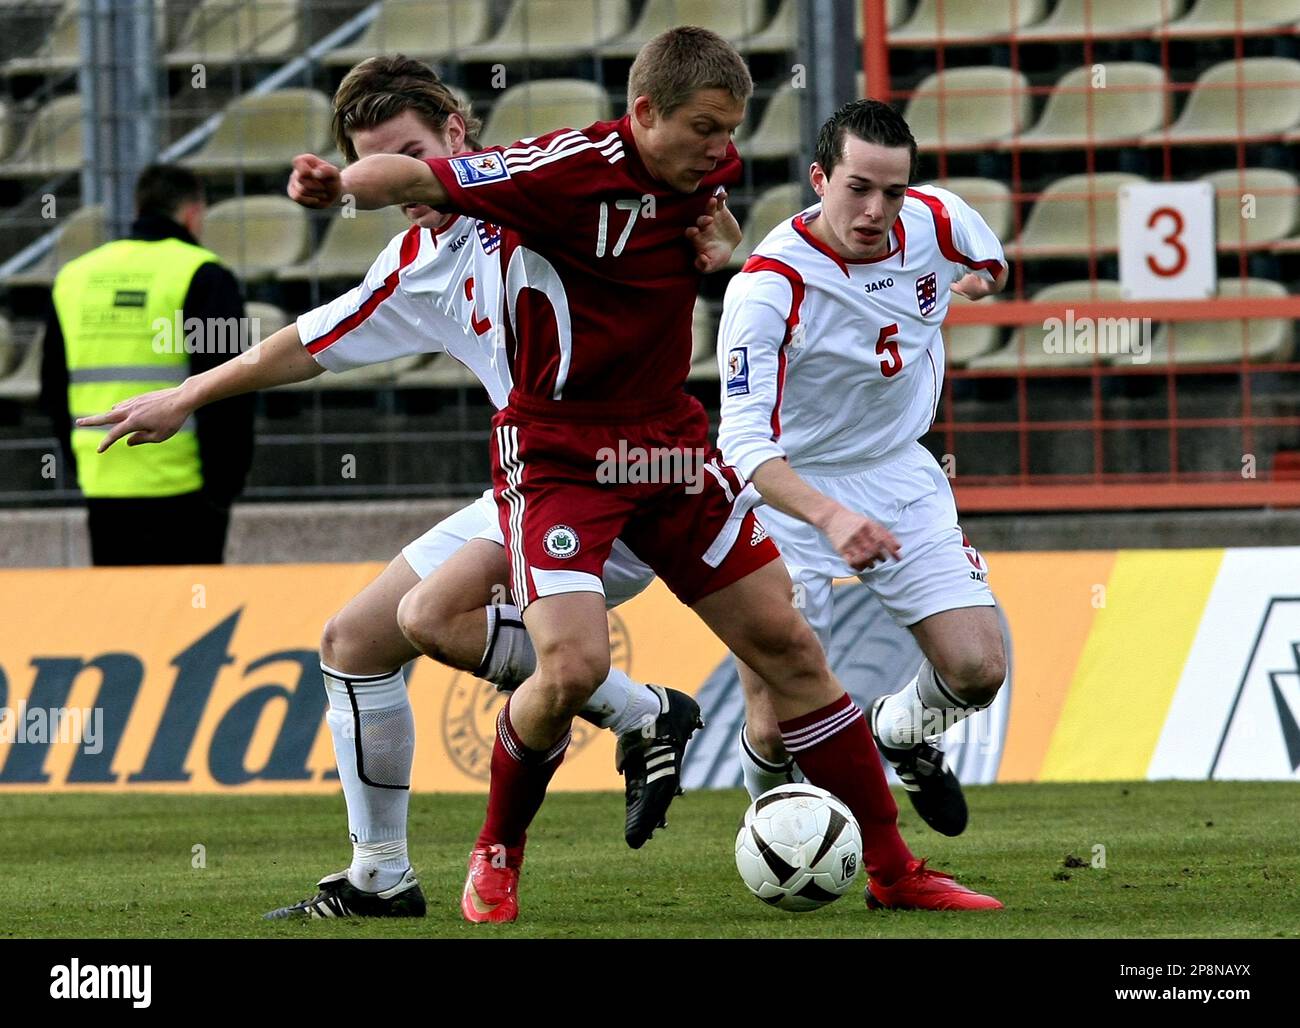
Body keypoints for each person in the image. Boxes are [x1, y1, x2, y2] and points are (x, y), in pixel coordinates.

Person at [289, 27, 1003, 922]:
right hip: (559, 459)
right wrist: (340, 189)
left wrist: (722, 237)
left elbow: (721, 223)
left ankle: (894, 869)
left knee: (788, 650)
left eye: (731, 129)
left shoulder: (705, 169)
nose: (724, 148)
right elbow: (415, 181)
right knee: (562, 664)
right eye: (707, 128)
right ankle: (499, 846)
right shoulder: (556, 173)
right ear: (645, 113)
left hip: (667, 449)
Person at [78, 55, 738, 919]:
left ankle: (642, 713)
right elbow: (304, 344)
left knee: (432, 615)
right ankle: (381, 875)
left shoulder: (539, 192)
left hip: (616, 483)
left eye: (410, 155)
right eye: (374, 165)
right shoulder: (418, 261)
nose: (397, 182)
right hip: (534, 480)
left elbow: (669, 185)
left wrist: (721, 238)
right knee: (353, 641)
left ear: (456, 136)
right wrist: (185, 396)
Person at [716, 99, 1009, 848]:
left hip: (898, 475)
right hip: (789, 494)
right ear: (819, 179)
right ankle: (776, 847)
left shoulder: (937, 218)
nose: (877, 210)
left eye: (893, 191)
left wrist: (971, 285)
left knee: (977, 669)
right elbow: (743, 446)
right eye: (858, 189)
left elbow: (989, 266)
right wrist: (831, 516)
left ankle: (899, 730)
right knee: (775, 726)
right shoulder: (768, 287)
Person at [40, 164, 254, 565]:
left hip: (102, 480)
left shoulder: (75, 276)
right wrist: (226, 484)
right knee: (192, 604)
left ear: (139, 208)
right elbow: (230, 387)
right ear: (192, 213)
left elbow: (52, 387)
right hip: (186, 488)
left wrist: (78, 462)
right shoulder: (204, 274)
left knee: (120, 604)